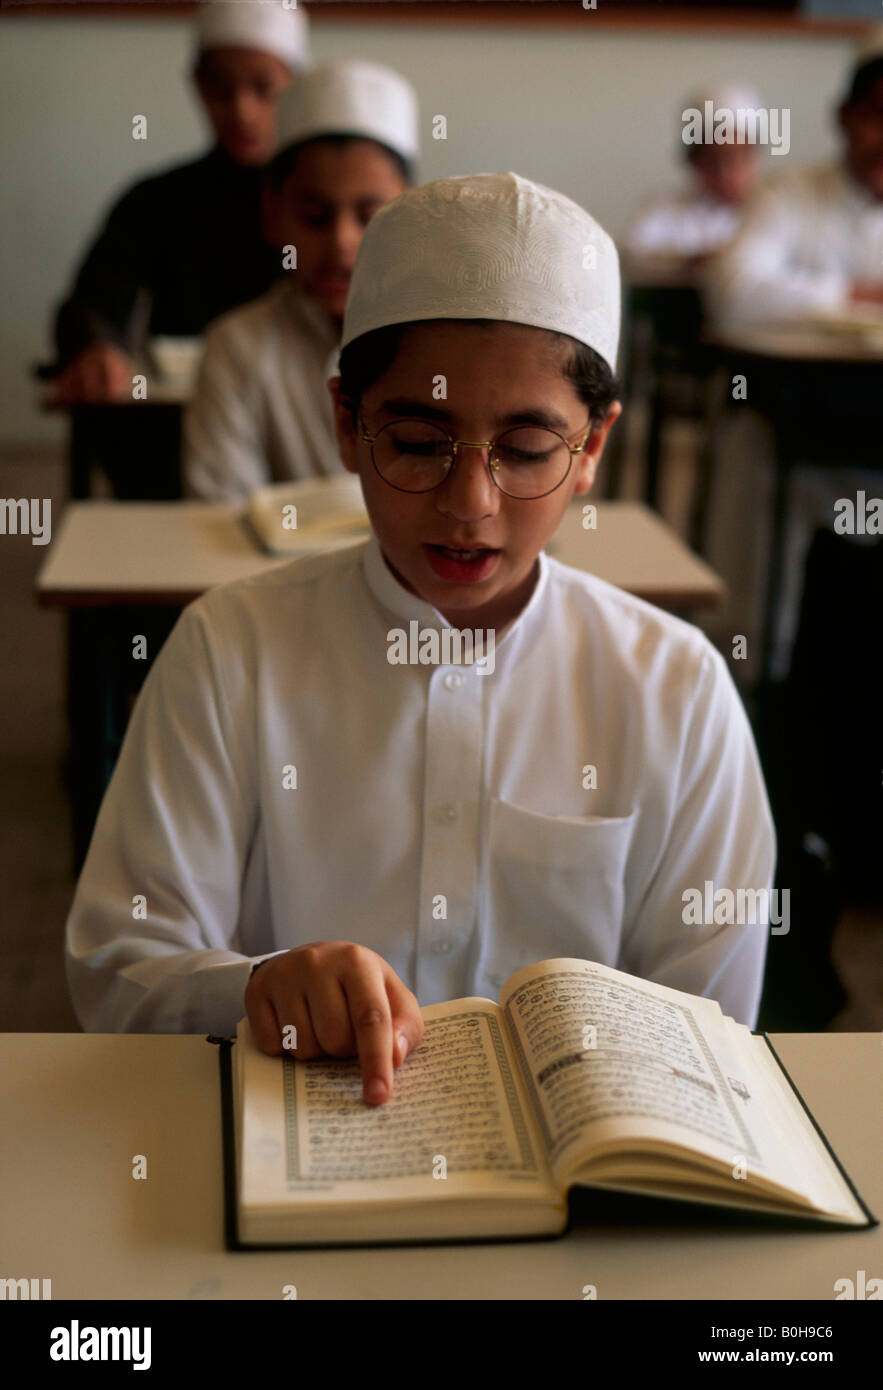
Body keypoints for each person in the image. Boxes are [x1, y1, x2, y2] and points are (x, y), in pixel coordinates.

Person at [65, 174, 776, 1107]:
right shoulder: (230, 650)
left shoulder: (674, 689)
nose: (469, 504)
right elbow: (120, 966)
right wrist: (253, 988)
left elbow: (707, 1031)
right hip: (291, 1137)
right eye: (414, 441)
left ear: (593, 448)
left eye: (526, 451)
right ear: (346, 424)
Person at [50, 1, 310, 405]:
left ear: (296, 87)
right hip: (181, 413)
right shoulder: (156, 201)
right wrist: (99, 346)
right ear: (199, 86)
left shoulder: (324, 204)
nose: (242, 111)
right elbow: (98, 297)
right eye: (222, 90)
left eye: (263, 88)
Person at [184, 60, 418, 500]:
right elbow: (219, 510)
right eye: (315, 217)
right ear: (272, 214)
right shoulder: (237, 348)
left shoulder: (446, 346)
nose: (342, 242)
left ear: (410, 216)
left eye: (369, 216)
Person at [708, 42, 883, 329]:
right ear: (844, 117)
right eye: (877, 116)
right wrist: (860, 297)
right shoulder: (785, 193)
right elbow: (733, 293)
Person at [624, 86, 762, 274]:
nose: (724, 172)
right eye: (711, 160)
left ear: (753, 155)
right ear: (693, 160)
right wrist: (695, 262)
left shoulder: (779, 211)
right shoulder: (663, 210)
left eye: (733, 157)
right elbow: (631, 255)